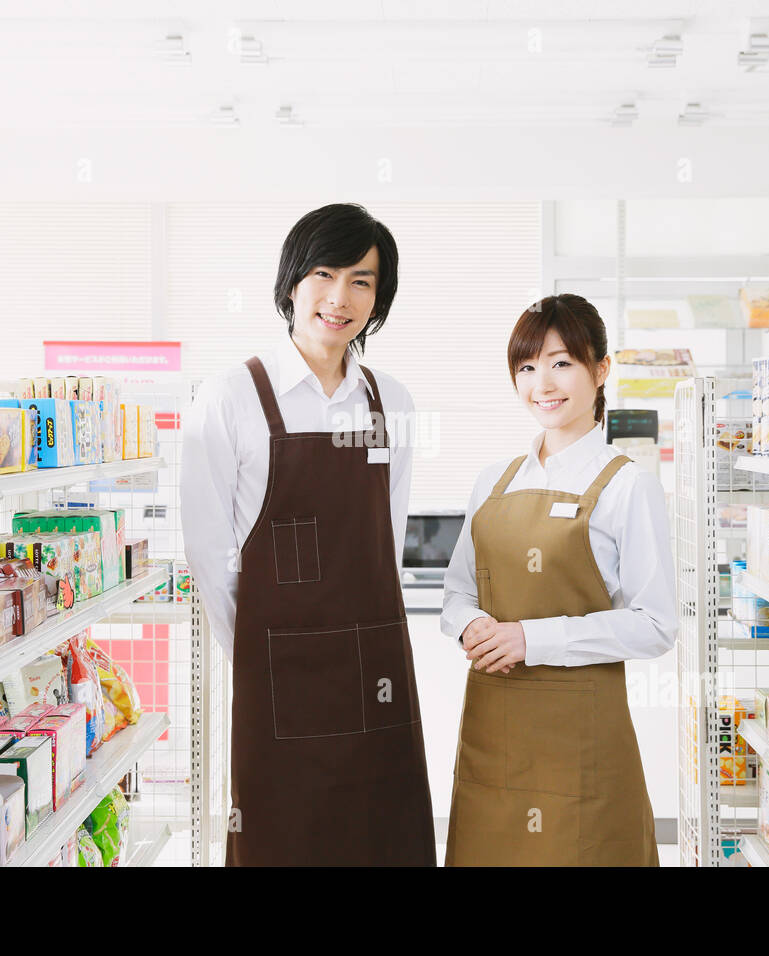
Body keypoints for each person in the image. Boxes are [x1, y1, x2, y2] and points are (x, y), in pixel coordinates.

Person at [181, 203, 435, 866]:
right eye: (324, 272)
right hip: (278, 678)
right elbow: (210, 559)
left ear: (378, 300)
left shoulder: (392, 403)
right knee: (281, 839)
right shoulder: (229, 397)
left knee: (384, 836)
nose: (339, 296)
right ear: (292, 282)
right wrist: (267, 661)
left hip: (376, 671)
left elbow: (388, 541)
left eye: (362, 280)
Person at [441, 293, 676, 866]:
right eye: (526, 367)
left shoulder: (627, 484)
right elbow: (456, 593)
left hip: (582, 742)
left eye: (561, 362)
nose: (541, 382)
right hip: (494, 733)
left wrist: (532, 639)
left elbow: (656, 626)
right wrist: (472, 623)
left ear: (600, 370)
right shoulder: (493, 481)